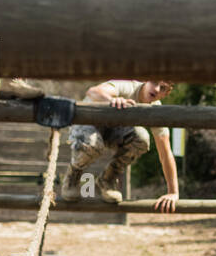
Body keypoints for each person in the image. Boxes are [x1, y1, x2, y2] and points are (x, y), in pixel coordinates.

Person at [60, 79, 178, 211]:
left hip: (111, 130)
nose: (156, 89)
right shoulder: (128, 87)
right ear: (145, 80)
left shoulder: (156, 110)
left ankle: (107, 179)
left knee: (141, 140)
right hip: (87, 123)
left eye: (162, 88)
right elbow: (93, 92)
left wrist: (173, 192)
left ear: (166, 94)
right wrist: (110, 99)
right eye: (154, 83)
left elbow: (165, 153)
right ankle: (74, 174)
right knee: (93, 144)